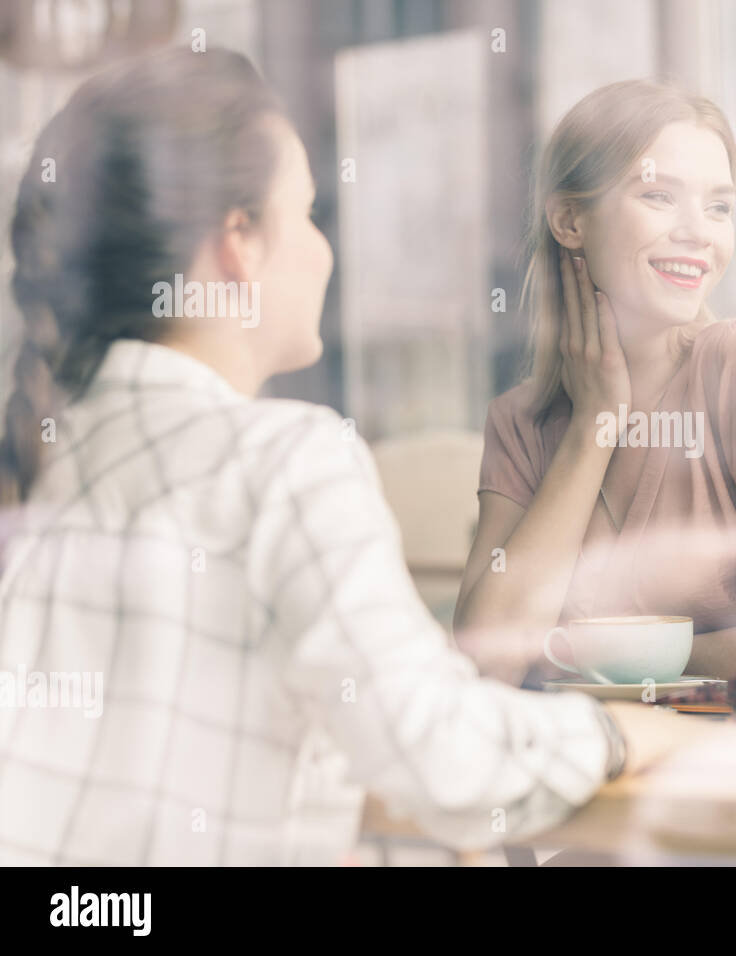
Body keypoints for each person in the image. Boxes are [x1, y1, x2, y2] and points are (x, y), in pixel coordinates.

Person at [0, 46, 691, 866]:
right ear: (238, 246)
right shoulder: (284, 462)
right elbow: (440, 755)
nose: (325, 251)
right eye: (308, 215)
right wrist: (628, 731)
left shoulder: (48, 465)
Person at [455, 81, 736, 679]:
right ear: (570, 219)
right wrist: (594, 426)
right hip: (585, 766)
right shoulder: (521, 421)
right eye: (659, 196)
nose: (698, 231)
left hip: (734, 765)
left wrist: (587, 652)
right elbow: (482, 663)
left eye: (719, 206)